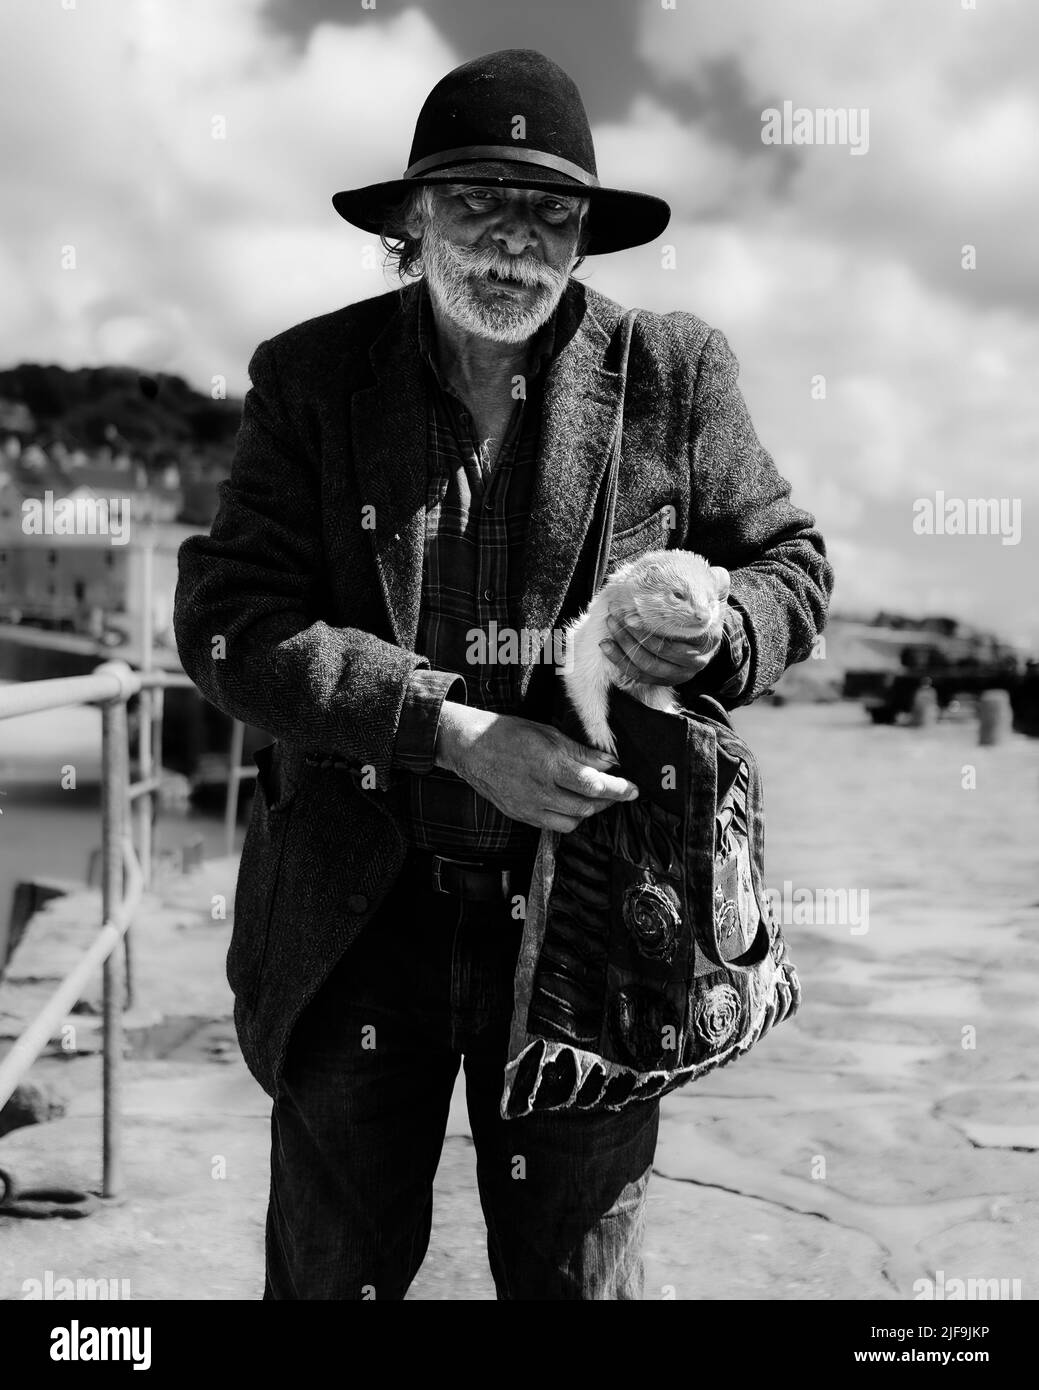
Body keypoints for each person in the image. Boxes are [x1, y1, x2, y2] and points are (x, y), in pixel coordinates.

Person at [173, 48, 833, 1300]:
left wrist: (726, 631)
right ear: (409, 222)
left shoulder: (673, 375)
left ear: (585, 240)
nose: (515, 244)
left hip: (596, 928)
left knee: (580, 1278)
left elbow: (791, 565)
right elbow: (223, 621)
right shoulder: (308, 380)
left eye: (550, 214)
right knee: (330, 1281)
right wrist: (446, 729)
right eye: (479, 202)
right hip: (357, 923)